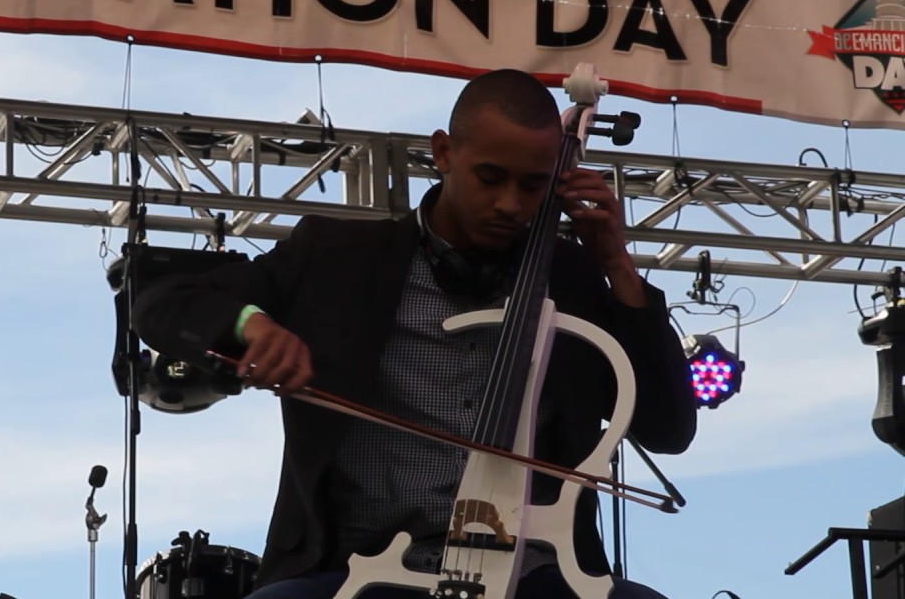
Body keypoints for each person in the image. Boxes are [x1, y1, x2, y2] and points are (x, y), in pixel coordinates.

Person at [131, 69, 697, 598]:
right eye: (491, 177)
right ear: (444, 153)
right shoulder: (336, 257)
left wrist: (617, 265)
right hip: (359, 570)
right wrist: (249, 325)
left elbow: (668, 428)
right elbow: (160, 303)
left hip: (531, 574)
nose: (511, 205)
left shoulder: (569, 278)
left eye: (533, 187)